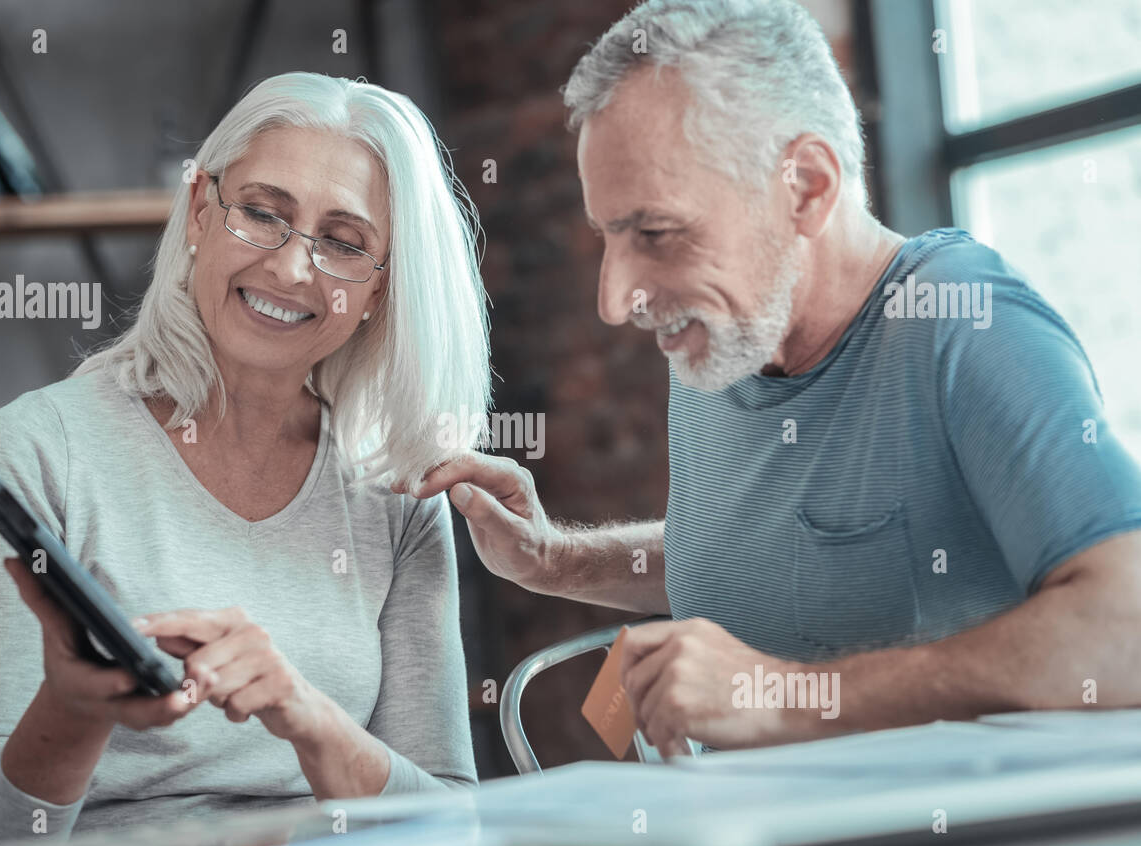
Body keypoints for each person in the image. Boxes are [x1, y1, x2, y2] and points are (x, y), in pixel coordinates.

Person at [402, 0, 1141, 757]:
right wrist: (555, 559)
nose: (616, 299)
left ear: (807, 187)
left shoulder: (964, 320)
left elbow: (1125, 623)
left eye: (656, 233)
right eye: (609, 237)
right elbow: (771, 551)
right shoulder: (724, 339)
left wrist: (784, 695)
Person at [0, 72, 490, 846]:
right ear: (200, 210)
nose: (293, 270)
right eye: (263, 214)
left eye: (343, 242)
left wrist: (307, 715)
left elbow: (452, 830)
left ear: (379, 290)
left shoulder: (397, 488)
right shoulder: (41, 450)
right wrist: (74, 709)